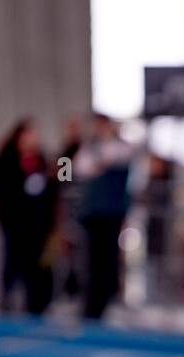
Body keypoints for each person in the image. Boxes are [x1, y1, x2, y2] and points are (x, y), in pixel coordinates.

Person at [0, 119, 57, 315]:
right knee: (12, 262)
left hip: (37, 224)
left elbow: (64, 177)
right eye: (29, 135)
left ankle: (36, 305)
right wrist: (21, 188)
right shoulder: (7, 157)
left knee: (37, 266)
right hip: (14, 223)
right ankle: (6, 300)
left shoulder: (43, 159)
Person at [74, 114, 133, 319]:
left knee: (110, 259)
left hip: (112, 213)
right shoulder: (89, 148)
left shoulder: (122, 148)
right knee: (92, 260)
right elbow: (77, 168)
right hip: (93, 214)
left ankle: (109, 299)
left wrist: (101, 164)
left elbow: (115, 160)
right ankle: (92, 304)